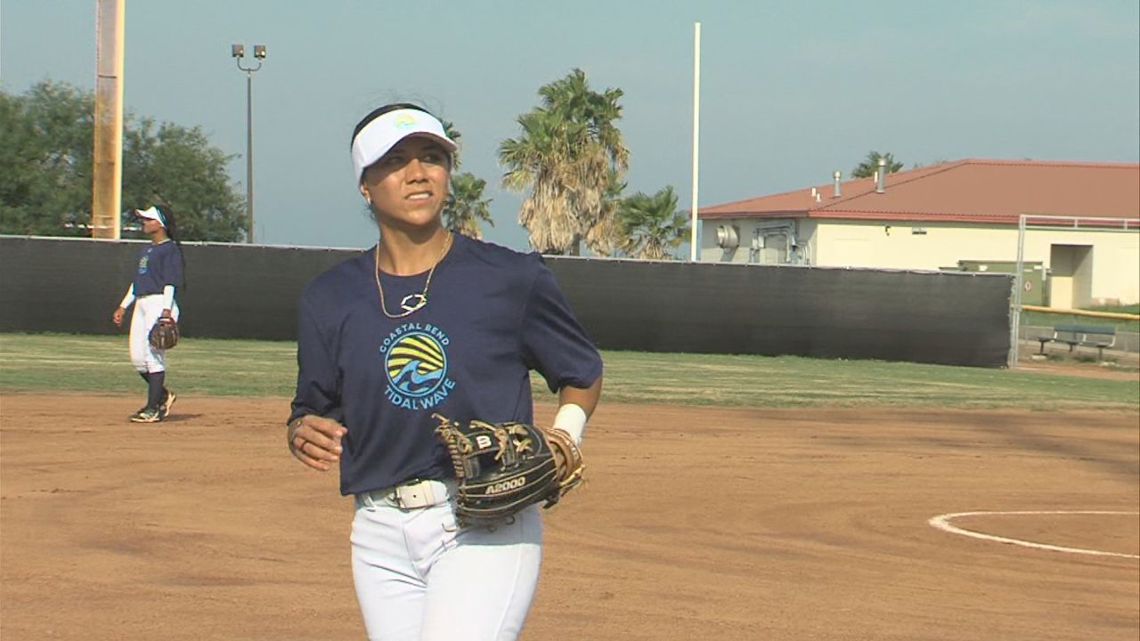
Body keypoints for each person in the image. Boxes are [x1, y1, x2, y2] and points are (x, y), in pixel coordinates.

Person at [286, 103, 603, 641]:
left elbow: (582, 370)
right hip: (378, 529)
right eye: (396, 161)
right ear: (366, 185)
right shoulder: (330, 298)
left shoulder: (509, 278)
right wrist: (301, 431)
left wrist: (564, 439)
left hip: (482, 521)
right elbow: (314, 407)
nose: (418, 173)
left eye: (432, 158)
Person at [112, 205, 184, 423]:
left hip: (159, 302)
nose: (144, 222)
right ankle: (162, 395)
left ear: (159, 224)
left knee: (154, 357)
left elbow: (171, 282)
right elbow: (137, 283)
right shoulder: (147, 250)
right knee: (137, 358)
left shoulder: (170, 249)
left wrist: (166, 311)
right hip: (142, 302)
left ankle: (153, 408)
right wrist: (124, 306)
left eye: (147, 219)